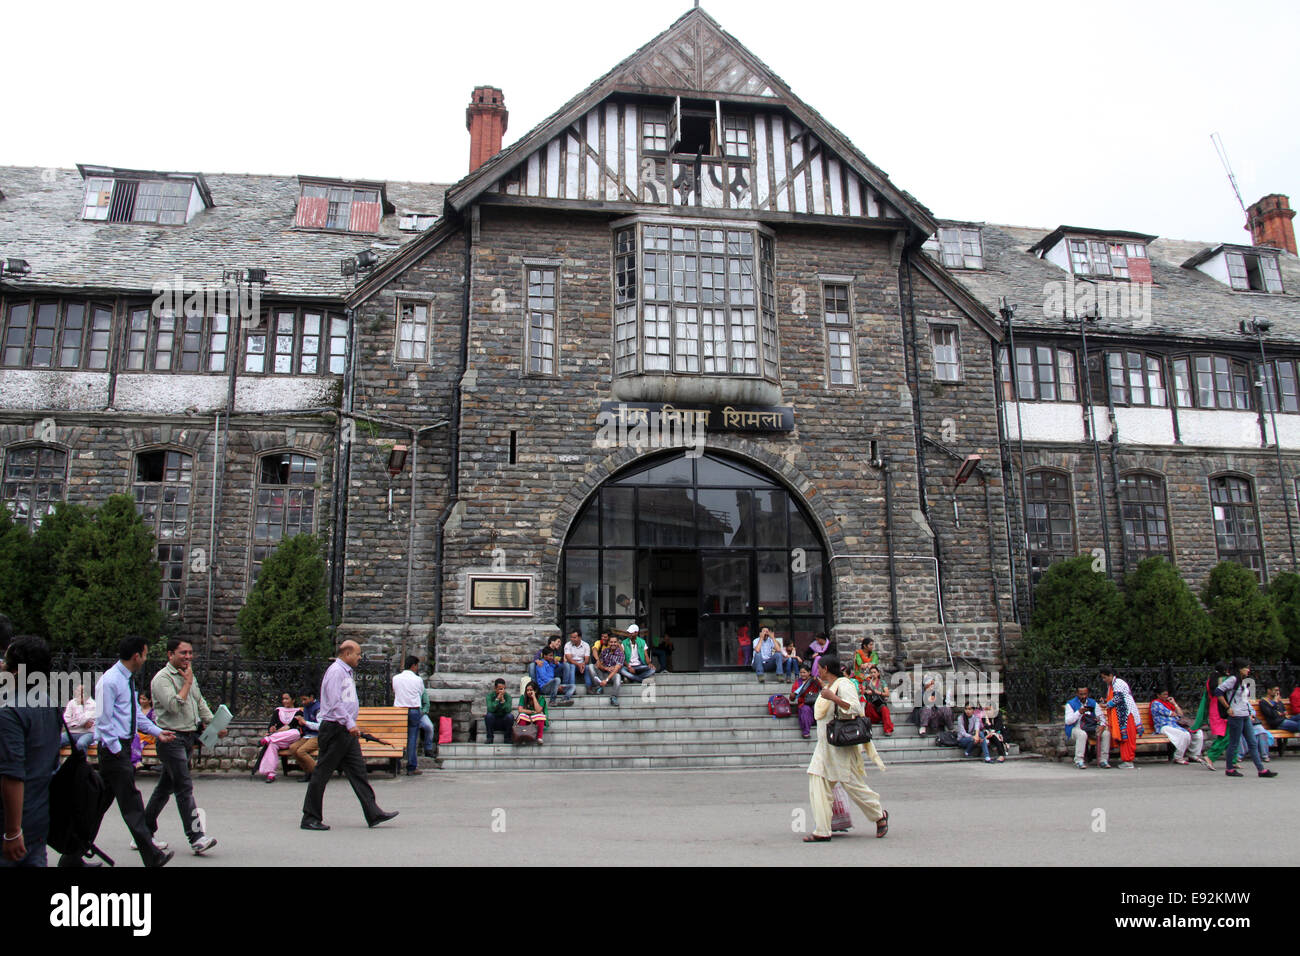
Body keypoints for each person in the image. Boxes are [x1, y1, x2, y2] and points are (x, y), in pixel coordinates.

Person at [95, 636, 176, 866]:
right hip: (114, 750)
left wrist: (157, 731)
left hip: (120, 748)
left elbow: (134, 715)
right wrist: (116, 749)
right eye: (145, 653)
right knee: (131, 803)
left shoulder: (126, 679)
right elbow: (103, 721)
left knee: (97, 805)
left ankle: (71, 855)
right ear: (136, 656)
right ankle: (152, 855)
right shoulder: (109, 681)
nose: (146, 658)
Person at [301, 640, 399, 831]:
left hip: (345, 730)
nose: (360, 657)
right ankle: (310, 817)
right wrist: (350, 723)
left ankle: (373, 812)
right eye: (358, 654)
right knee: (322, 773)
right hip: (335, 729)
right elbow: (334, 702)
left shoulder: (346, 672)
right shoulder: (336, 672)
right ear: (347, 654)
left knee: (358, 771)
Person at [147, 637, 222, 855]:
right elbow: (172, 706)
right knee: (184, 787)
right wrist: (187, 683)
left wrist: (214, 723)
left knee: (164, 788)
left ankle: (143, 832)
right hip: (171, 739)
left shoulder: (189, 675)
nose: (188, 657)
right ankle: (196, 837)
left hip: (188, 737)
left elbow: (199, 702)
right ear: (170, 655)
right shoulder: (161, 679)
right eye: (183, 653)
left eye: (190, 653)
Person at [803, 654, 888, 843]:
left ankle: (879, 815)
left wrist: (834, 698)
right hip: (825, 745)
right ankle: (822, 830)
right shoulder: (828, 687)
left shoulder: (844, 685)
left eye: (819, 667)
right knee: (817, 781)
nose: (818, 671)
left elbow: (855, 709)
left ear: (825, 669)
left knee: (853, 785)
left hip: (840, 746)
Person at [0, 636, 62, 867]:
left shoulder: (10, 712)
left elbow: (12, 776)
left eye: (6, 664)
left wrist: (12, 831)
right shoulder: (49, 703)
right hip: (40, 815)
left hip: (11, 821)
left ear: (15, 672)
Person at [1216, 658, 1275, 779]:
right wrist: (1228, 707)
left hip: (1245, 715)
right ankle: (1229, 768)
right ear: (1239, 668)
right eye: (1246, 667)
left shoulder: (1243, 681)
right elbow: (1218, 691)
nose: (1248, 670)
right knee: (1234, 742)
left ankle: (1261, 769)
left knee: (1252, 742)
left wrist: (1249, 711)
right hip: (1236, 715)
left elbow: (1244, 699)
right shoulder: (1233, 679)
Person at [1149, 689, 1207, 767]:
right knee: (1185, 734)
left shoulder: (1169, 703)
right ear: (1158, 695)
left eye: (1167, 694)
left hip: (1176, 725)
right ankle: (1178, 757)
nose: (1166, 696)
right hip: (1164, 726)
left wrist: (1174, 703)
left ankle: (1193, 755)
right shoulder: (1156, 703)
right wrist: (1174, 713)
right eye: (1164, 694)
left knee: (1198, 732)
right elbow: (1171, 713)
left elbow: (1180, 714)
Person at [1191, 661, 1230, 769]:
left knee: (1226, 734)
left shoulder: (1211, 680)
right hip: (1221, 709)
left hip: (1214, 709)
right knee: (1227, 735)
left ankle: (1232, 759)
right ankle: (1210, 756)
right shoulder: (1224, 680)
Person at [1100, 667, 1141, 769]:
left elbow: (1118, 698)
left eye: (1105, 677)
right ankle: (1126, 760)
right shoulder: (1112, 685)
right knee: (1124, 737)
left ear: (1110, 675)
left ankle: (1128, 761)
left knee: (1126, 737)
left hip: (1126, 714)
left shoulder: (1118, 683)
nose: (1104, 680)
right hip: (1122, 715)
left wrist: (1107, 704)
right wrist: (1106, 701)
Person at [257, 692, 303, 783]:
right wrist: (272, 730)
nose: (284, 701)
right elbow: (272, 726)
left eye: (287, 699)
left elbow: (291, 726)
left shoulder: (299, 711)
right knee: (272, 744)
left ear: (293, 700)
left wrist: (274, 734)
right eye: (283, 699)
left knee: (295, 732)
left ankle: (269, 738)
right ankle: (271, 773)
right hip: (279, 739)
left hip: (292, 739)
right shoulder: (278, 711)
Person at [392, 655, 426, 776]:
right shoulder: (418, 680)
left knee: (397, 738)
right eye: (417, 665)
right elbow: (421, 692)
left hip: (399, 710)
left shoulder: (396, 678)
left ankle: (395, 763)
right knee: (412, 738)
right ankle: (411, 766)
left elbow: (394, 691)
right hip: (413, 709)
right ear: (413, 666)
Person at [1065, 686, 1112, 769]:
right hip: (1076, 727)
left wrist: (1102, 725)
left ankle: (1103, 760)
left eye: (1085, 694)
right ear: (1077, 694)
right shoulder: (1070, 704)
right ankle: (1079, 760)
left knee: (1106, 734)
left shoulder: (1093, 703)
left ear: (1088, 693)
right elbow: (1068, 721)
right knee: (1082, 734)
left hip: (1091, 728)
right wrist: (1078, 712)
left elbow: (1101, 717)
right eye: (1081, 694)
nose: (1083, 696)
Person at [287, 690, 321, 779]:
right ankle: (308, 771)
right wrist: (301, 722)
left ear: (312, 697)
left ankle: (318, 774)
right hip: (307, 735)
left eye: (305, 699)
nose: (303, 702)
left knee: (301, 751)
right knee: (293, 748)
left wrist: (305, 723)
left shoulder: (319, 709)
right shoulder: (306, 707)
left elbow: (321, 726)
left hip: (318, 736)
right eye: (301, 700)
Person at [861, 665, 895, 736]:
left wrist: (879, 692)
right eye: (871, 672)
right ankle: (876, 720)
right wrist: (867, 691)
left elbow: (887, 693)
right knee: (869, 706)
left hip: (879, 703)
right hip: (871, 703)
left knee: (884, 709)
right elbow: (861, 690)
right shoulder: (866, 682)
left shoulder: (882, 682)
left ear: (878, 673)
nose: (873, 674)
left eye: (874, 672)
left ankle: (888, 730)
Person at [789, 665, 821, 739]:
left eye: (804, 672)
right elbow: (792, 698)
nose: (802, 674)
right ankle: (806, 732)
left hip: (814, 702)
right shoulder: (797, 682)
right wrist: (792, 695)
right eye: (801, 672)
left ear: (809, 672)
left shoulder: (814, 680)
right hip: (803, 703)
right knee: (805, 709)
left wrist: (817, 680)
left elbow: (823, 687)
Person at [62, 684, 96, 753]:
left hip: (88, 733)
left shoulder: (94, 705)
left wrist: (79, 705)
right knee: (55, 741)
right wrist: (81, 724)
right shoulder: (71, 703)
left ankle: (80, 763)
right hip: (71, 733)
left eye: (78, 691)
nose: (75, 692)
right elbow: (65, 721)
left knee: (81, 744)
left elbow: (82, 720)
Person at [593, 632, 624, 706]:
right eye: (611, 642)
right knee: (592, 666)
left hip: (612, 675)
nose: (613, 644)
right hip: (604, 673)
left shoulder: (620, 654)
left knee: (618, 676)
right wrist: (606, 668)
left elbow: (616, 669)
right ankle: (600, 687)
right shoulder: (605, 651)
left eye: (615, 642)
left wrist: (606, 680)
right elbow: (598, 664)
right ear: (609, 642)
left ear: (617, 643)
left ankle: (613, 697)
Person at [484, 679, 515, 744]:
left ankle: (507, 738)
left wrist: (503, 701)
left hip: (504, 721)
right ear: (495, 688)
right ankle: (490, 738)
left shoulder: (508, 696)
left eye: (504, 689)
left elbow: (508, 710)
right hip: (494, 721)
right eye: (500, 689)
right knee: (489, 715)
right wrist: (497, 699)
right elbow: (490, 709)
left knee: (510, 716)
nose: (502, 691)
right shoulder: (490, 696)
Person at [563, 629, 594, 693]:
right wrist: (578, 664)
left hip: (582, 664)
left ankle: (589, 688)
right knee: (572, 666)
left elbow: (587, 660)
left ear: (580, 637)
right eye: (571, 637)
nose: (572, 639)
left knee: (587, 667)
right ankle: (572, 688)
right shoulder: (567, 645)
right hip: (572, 664)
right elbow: (569, 659)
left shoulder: (586, 645)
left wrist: (582, 664)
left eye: (574, 637)